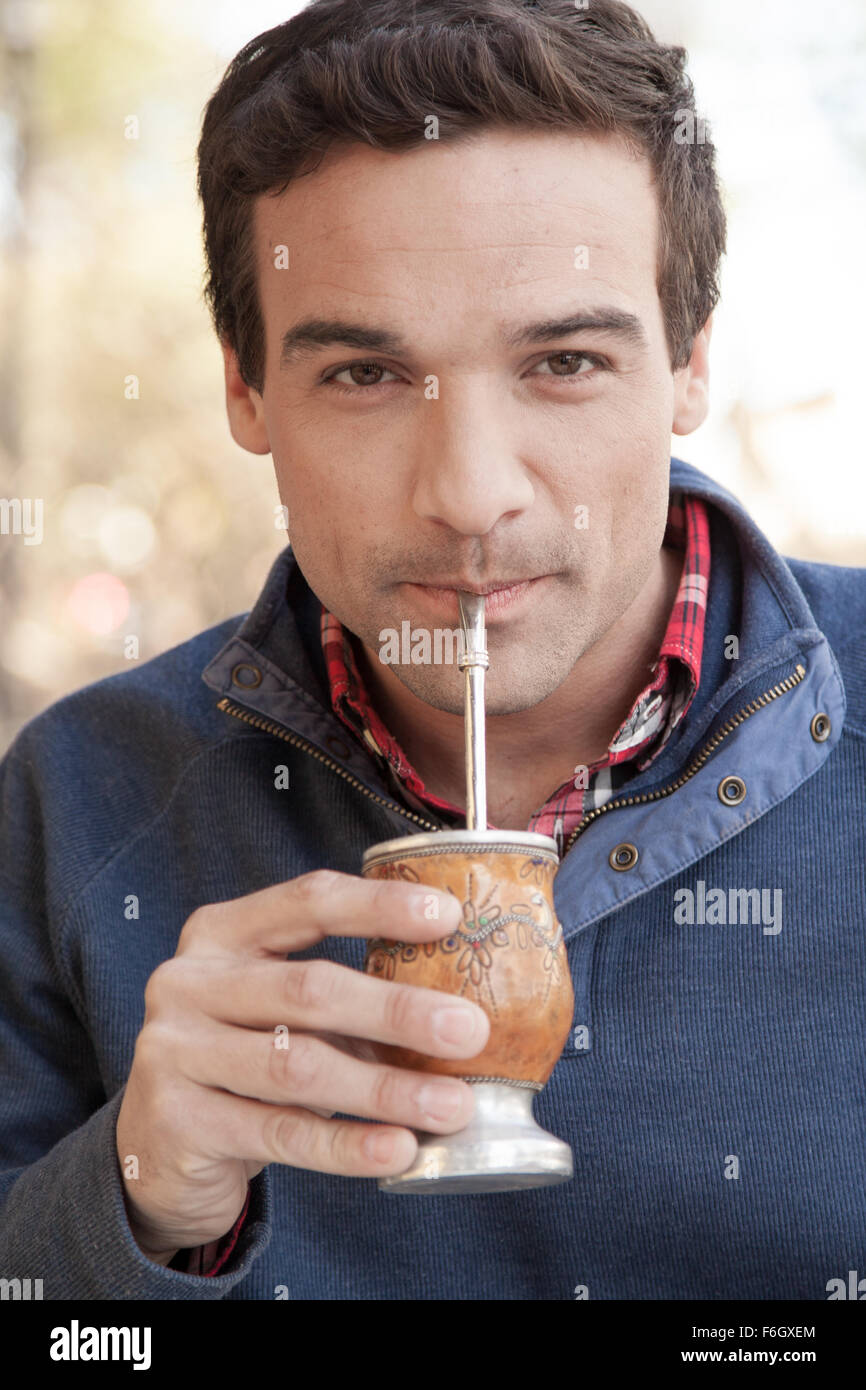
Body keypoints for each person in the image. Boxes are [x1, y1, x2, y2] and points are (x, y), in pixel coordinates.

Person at [1, 0, 864, 1302]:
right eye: (363, 374)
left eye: (562, 360)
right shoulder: (74, 798)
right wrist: (126, 1210)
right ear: (243, 387)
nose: (467, 494)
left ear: (688, 362)